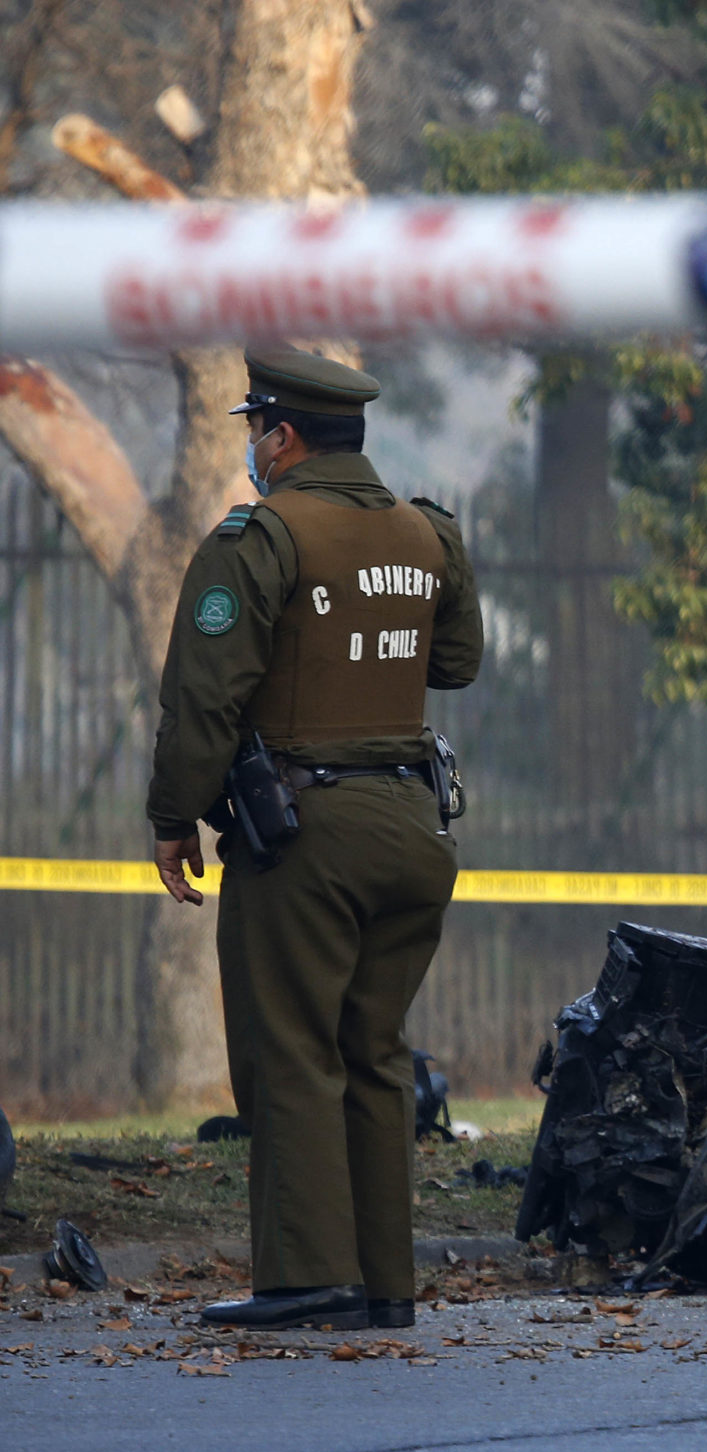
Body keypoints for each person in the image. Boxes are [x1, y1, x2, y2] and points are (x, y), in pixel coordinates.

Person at [147, 348, 482, 1331]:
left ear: (284, 437)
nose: (253, 447)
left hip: (305, 836)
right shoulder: (429, 532)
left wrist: (174, 816)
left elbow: (206, 698)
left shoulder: (262, 537)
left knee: (289, 1049)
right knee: (374, 1053)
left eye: (257, 429)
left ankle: (305, 1278)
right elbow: (456, 662)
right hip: (414, 827)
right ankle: (384, 1285)